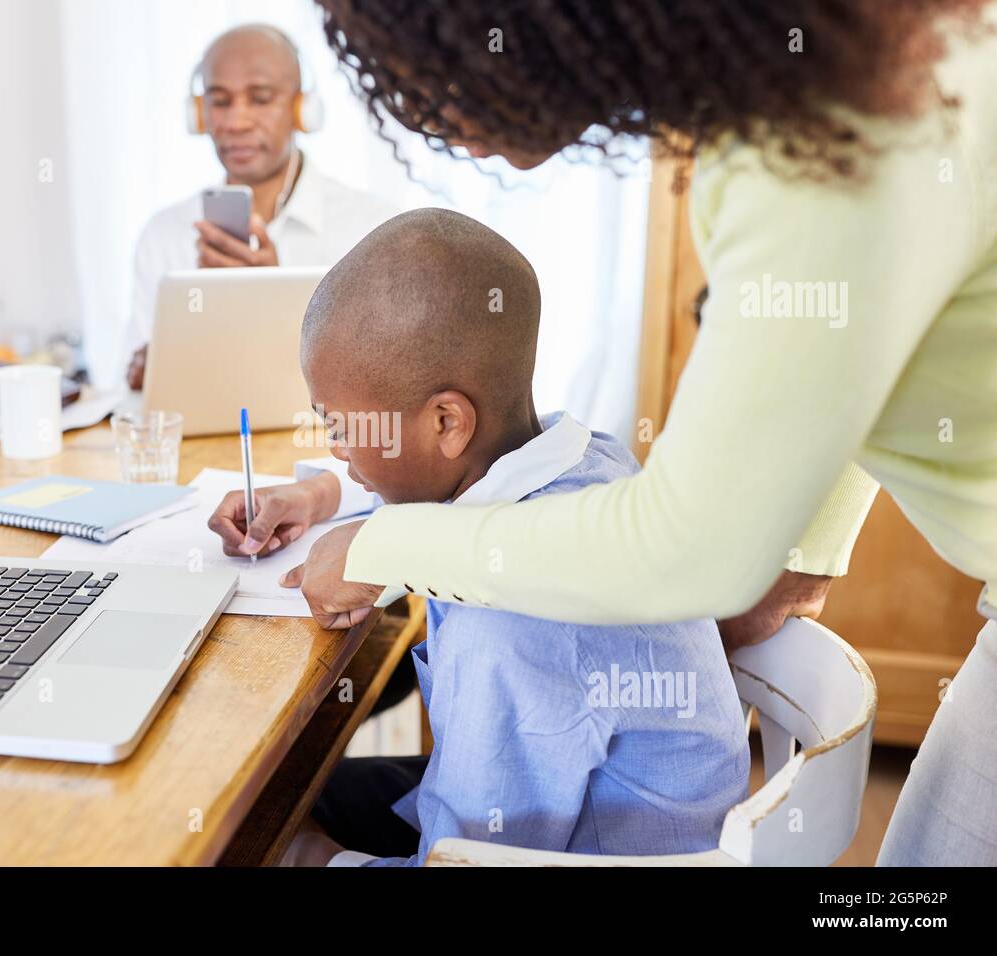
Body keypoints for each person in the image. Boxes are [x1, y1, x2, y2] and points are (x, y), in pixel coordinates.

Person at [278, 0, 997, 866]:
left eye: (434, 75)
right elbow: (858, 339)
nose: (428, 120)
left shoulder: (812, 143)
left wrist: (378, 544)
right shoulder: (811, 101)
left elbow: (687, 553)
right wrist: (805, 545)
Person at [210, 209, 749, 865]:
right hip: (571, 804)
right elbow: (441, 489)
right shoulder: (588, 461)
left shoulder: (511, 628)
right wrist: (322, 492)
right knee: (286, 788)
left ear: (446, 422)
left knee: (242, 829)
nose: (335, 446)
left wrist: (311, 859)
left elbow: (467, 859)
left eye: (343, 426)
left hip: (560, 848)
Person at [124, 23, 397, 389]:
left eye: (261, 98)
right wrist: (147, 370)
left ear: (303, 110)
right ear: (200, 114)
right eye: (220, 101)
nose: (236, 122)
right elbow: (137, 387)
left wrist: (273, 303)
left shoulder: (371, 228)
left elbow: (386, 383)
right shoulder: (164, 234)